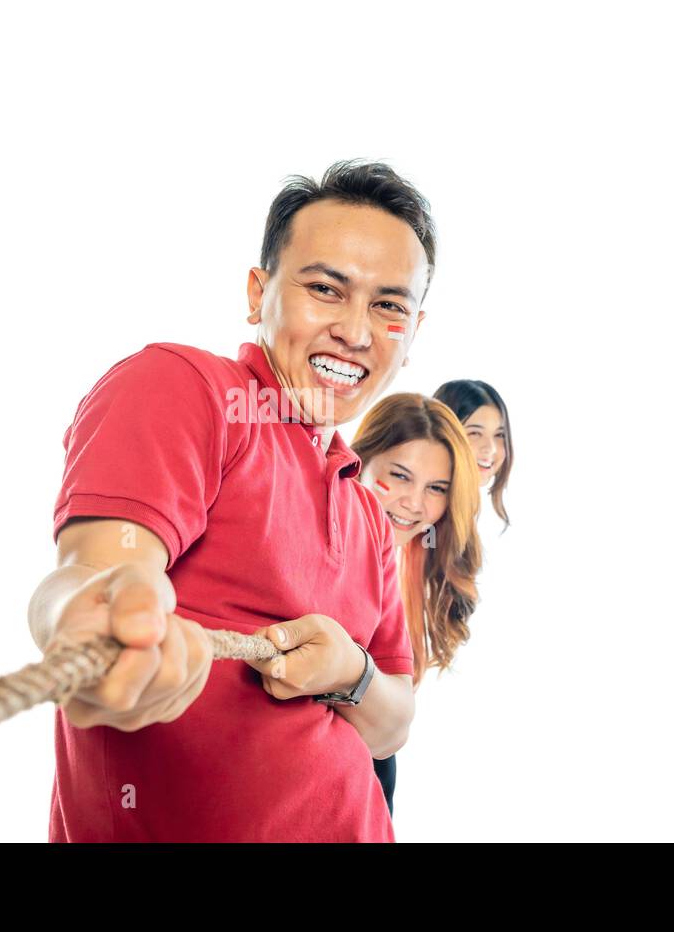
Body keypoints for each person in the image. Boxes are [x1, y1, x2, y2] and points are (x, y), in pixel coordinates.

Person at [26, 160, 437, 841]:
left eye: (389, 305)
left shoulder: (368, 508)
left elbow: (395, 721)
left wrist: (350, 671)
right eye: (325, 288)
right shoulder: (186, 388)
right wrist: (97, 626)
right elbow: (92, 575)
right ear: (259, 291)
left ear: (414, 330)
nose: (357, 331)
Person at [351, 393, 483, 815]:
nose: (414, 503)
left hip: (367, 786)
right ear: (359, 463)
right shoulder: (327, 552)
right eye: (400, 476)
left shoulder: (402, 560)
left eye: (436, 489)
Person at [434, 380, 513, 528]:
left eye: (499, 435)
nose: (491, 448)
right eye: (475, 433)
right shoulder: (425, 514)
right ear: (443, 434)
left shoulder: (463, 512)